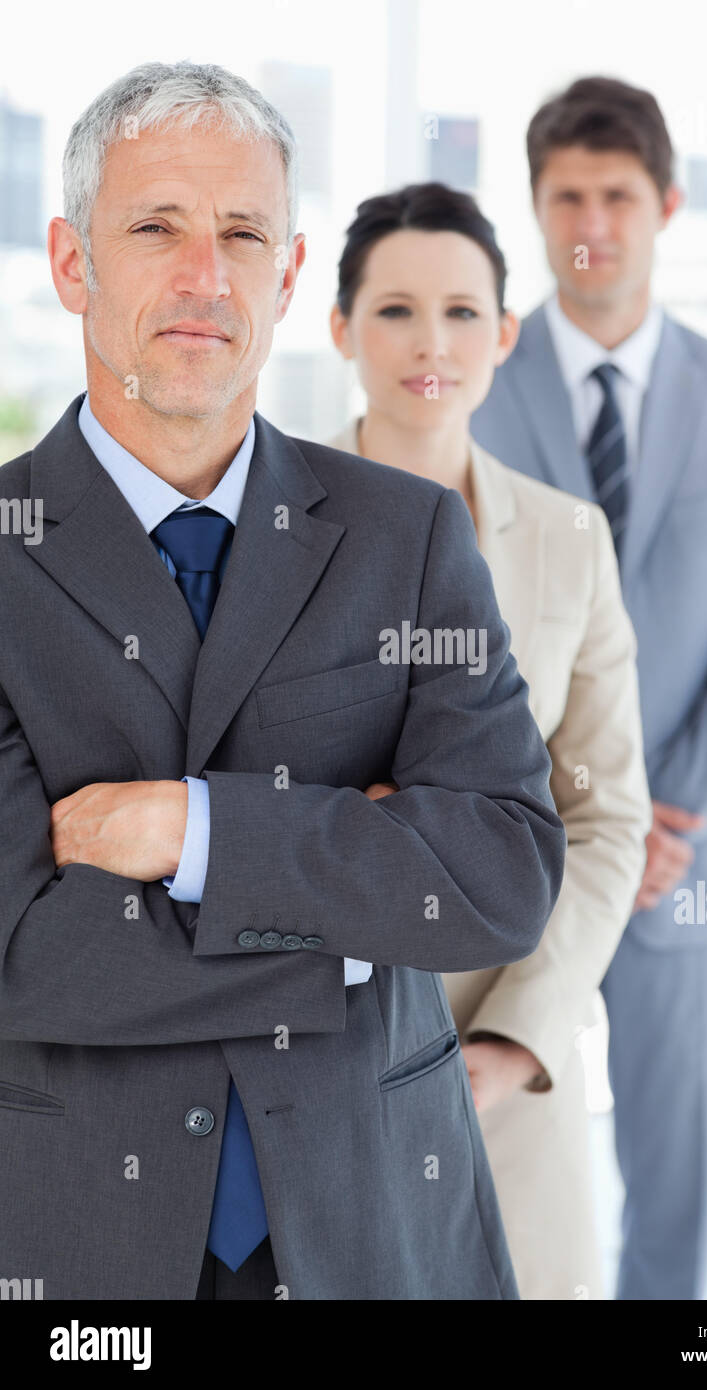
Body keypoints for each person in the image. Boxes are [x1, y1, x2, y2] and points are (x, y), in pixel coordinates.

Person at [0, 62, 567, 1301]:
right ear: (70, 262)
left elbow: (502, 877)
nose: (205, 276)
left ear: (290, 275)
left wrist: (190, 831)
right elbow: (26, 952)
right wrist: (353, 936)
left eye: (242, 234)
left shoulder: (406, 538)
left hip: (373, 1224)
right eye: (155, 227)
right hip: (79, 1237)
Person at [469, 75, 707, 1300]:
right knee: (496, 1166)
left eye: (617, 193)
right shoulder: (472, 385)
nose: (591, 221)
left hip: (689, 861)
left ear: (666, 204)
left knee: (676, 1188)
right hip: (512, 849)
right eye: (566, 194)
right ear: (534, 206)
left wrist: (667, 816)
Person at [328, 180, 651, 1299]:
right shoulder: (256, 526)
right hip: (313, 1059)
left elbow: (605, 816)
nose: (432, 342)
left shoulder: (570, 542)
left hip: (502, 1067)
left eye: (463, 311)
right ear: (338, 330)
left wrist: (518, 1039)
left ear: (506, 332)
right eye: (395, 310)